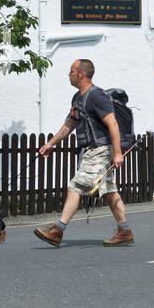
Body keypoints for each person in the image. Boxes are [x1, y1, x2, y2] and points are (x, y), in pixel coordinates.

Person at [33, 59, 133, 248]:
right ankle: (124, 230)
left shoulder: (97, 96)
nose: (68, 75)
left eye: (71, 71)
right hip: (92, 151)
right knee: (109, 191)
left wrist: (117, 152)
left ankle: (58, 230)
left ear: (81, 74)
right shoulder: (77, 98)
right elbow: (70, 124)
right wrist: (50, 144)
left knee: (75, 186)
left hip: (100, 150)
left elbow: (112, 124)